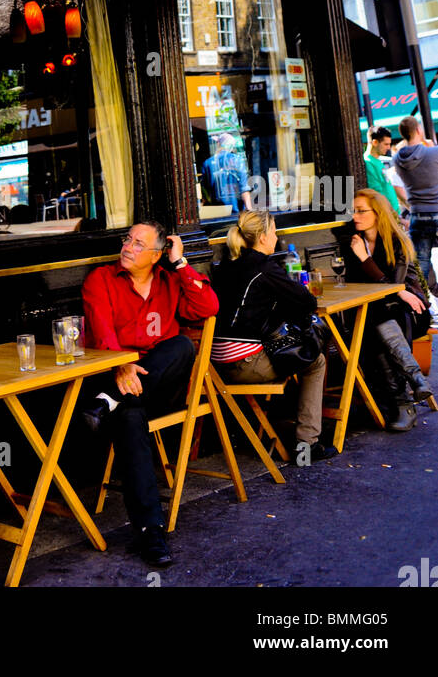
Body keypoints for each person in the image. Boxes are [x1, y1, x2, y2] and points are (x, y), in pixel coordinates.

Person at [81, 221, 218, 566]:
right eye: (128, 239)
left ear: (158, 254)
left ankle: (110, 399)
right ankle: (150, 532)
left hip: (159, 389)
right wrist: (121, 366)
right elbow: (101, 333)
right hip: (122, 383)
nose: (128, 247)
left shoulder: (170, 281)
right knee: (129, 417)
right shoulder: (101, 279)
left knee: (181, 347)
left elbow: (208, 308)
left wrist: (182, 264)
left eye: (139, 244)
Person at [210, 209, 334, 461]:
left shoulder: (226, 264)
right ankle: (306, 445)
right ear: (263, 237)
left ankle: (290, 426)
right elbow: (307, 301)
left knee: (292, 352)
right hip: (244, 365)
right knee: (316, 361)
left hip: (214, 366)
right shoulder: (264, 268)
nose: (276, 238)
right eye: (274, 232)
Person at [338, 189, 432, 431]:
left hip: (410, 311)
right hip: (376, 311)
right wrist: (359, 256)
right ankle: (414, 380)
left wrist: (364, 259)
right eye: (353, 211)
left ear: (377, 213)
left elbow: (393, 286)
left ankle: (404, 403)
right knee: (375, 322)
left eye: (361, 211)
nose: (355, 216)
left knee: (377, 320)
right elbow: (360, 287)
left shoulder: (397, 241)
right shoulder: (353, 242)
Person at [392, 116, 438, 279]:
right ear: (419, 130)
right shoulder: (433, 152)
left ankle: (425, 297)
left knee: (422, 261)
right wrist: (430, 145)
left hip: (417, 214)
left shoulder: (396, 159)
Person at [202, 133, 252, 212]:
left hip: (217, 212)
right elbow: (244, 189)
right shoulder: (238, 160)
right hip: (237, 212)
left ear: (218, 144)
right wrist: (249, 211)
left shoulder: (207, 163)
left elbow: (206, 191)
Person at [364, 127, 405, 218]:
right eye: (386, 144)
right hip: (388, 216)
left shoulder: (378, 161)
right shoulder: (368, 162)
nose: (389, 147)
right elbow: (377, 194)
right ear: (375, 142)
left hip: (394, 215)